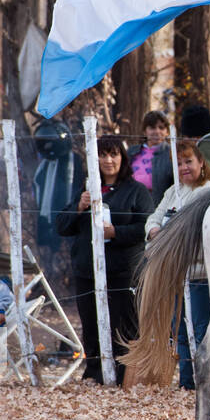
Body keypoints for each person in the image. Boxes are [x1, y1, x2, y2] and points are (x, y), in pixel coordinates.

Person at [56, 134, 154, 385]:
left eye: (114, 154)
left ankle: (125, 376)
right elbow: (62, 226)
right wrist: (79, 207)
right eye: (102, 155)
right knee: (90, 323)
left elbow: (146, 226)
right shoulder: (86, 190)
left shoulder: (136, 191)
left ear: (123, 158)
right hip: (87, 270)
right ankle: (96, 373)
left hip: (121, 270)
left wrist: (116, 233)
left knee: (123, 324)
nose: (108, 160)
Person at [147, 140, 210, 390]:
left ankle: (207, 381)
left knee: (201, 329)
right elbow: (154, 218)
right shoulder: (172, 192)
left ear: (201, 162)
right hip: (174, 273)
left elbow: (205, 233)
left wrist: (171, 237)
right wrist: (155, 230)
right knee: (179, 331)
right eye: (178, 163)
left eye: (188, 161)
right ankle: (187, 382)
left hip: (199, 274)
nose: (184, 167)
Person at [128, 111, 174, 203]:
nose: (157, 131)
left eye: (161, 128)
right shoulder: (131, 152)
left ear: (167, 131)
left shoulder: (172, 153)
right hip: (132, 204)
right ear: (145, 131)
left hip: (159, 205)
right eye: (152, 128)